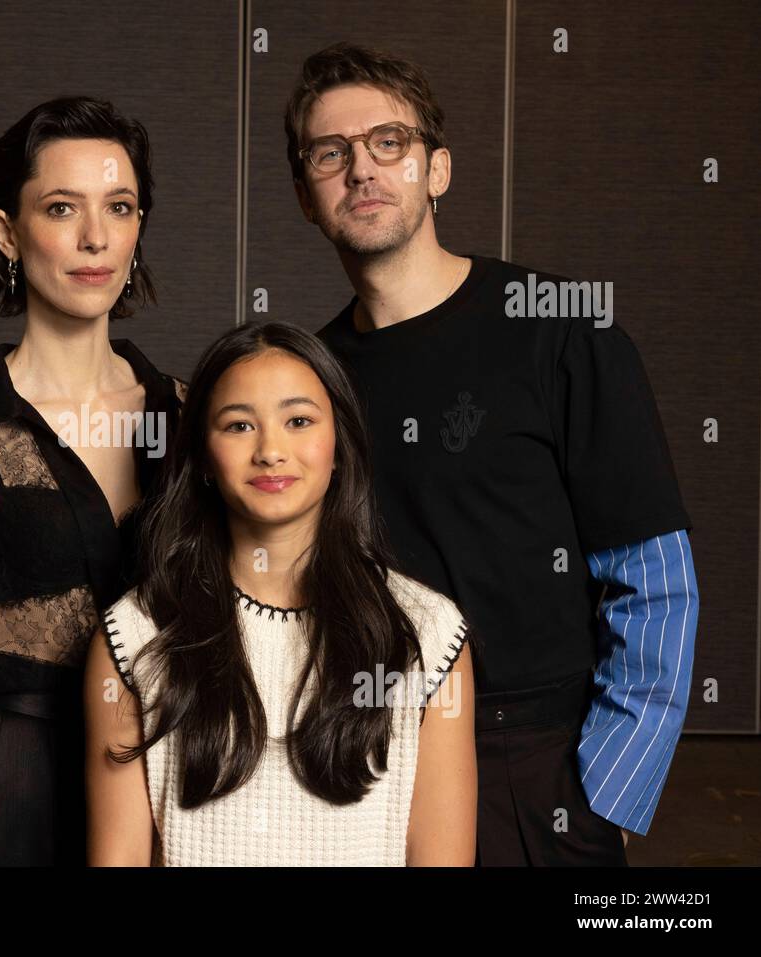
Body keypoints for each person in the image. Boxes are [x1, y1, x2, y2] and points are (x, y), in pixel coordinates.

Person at [285, 42, 699, 864]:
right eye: (332, 153)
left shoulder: (561, 332)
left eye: (389, 143)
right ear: (306, 194)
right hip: (372, 755)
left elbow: (655, 579)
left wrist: (604, 791)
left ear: (437, 169)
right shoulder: (308, 381)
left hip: (538, 764)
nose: (362, 168)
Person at [0, 97, 186, 866]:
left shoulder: (196, 418)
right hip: (9, 796)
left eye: (119, 208)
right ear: (7, 232)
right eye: (62, 208)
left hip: (172, 781)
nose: (95, 237)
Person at [86, 321, 477, 866]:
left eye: (298, 421)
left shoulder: (426, 634)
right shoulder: (135, 635)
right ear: (201, 458)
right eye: (239, 425)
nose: (271, 451)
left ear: (338, 445)